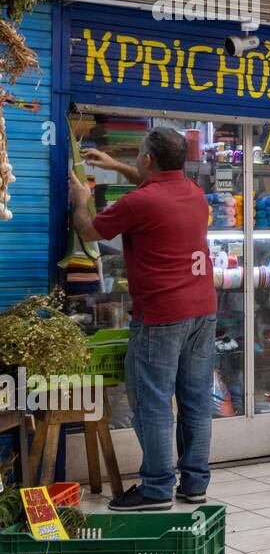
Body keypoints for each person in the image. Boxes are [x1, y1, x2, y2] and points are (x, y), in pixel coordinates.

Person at [67, 127, 218, 512]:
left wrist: (81, 200)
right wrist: (115, 164)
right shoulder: (195, 195)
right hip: (203, 311)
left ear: (148, 159)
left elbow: (89, 230)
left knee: (152, 403)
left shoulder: (141, 202)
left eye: (137, 156)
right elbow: (154, 190)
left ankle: (156, 488)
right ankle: (195, 483)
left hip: (162, 315)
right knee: (196, 401)